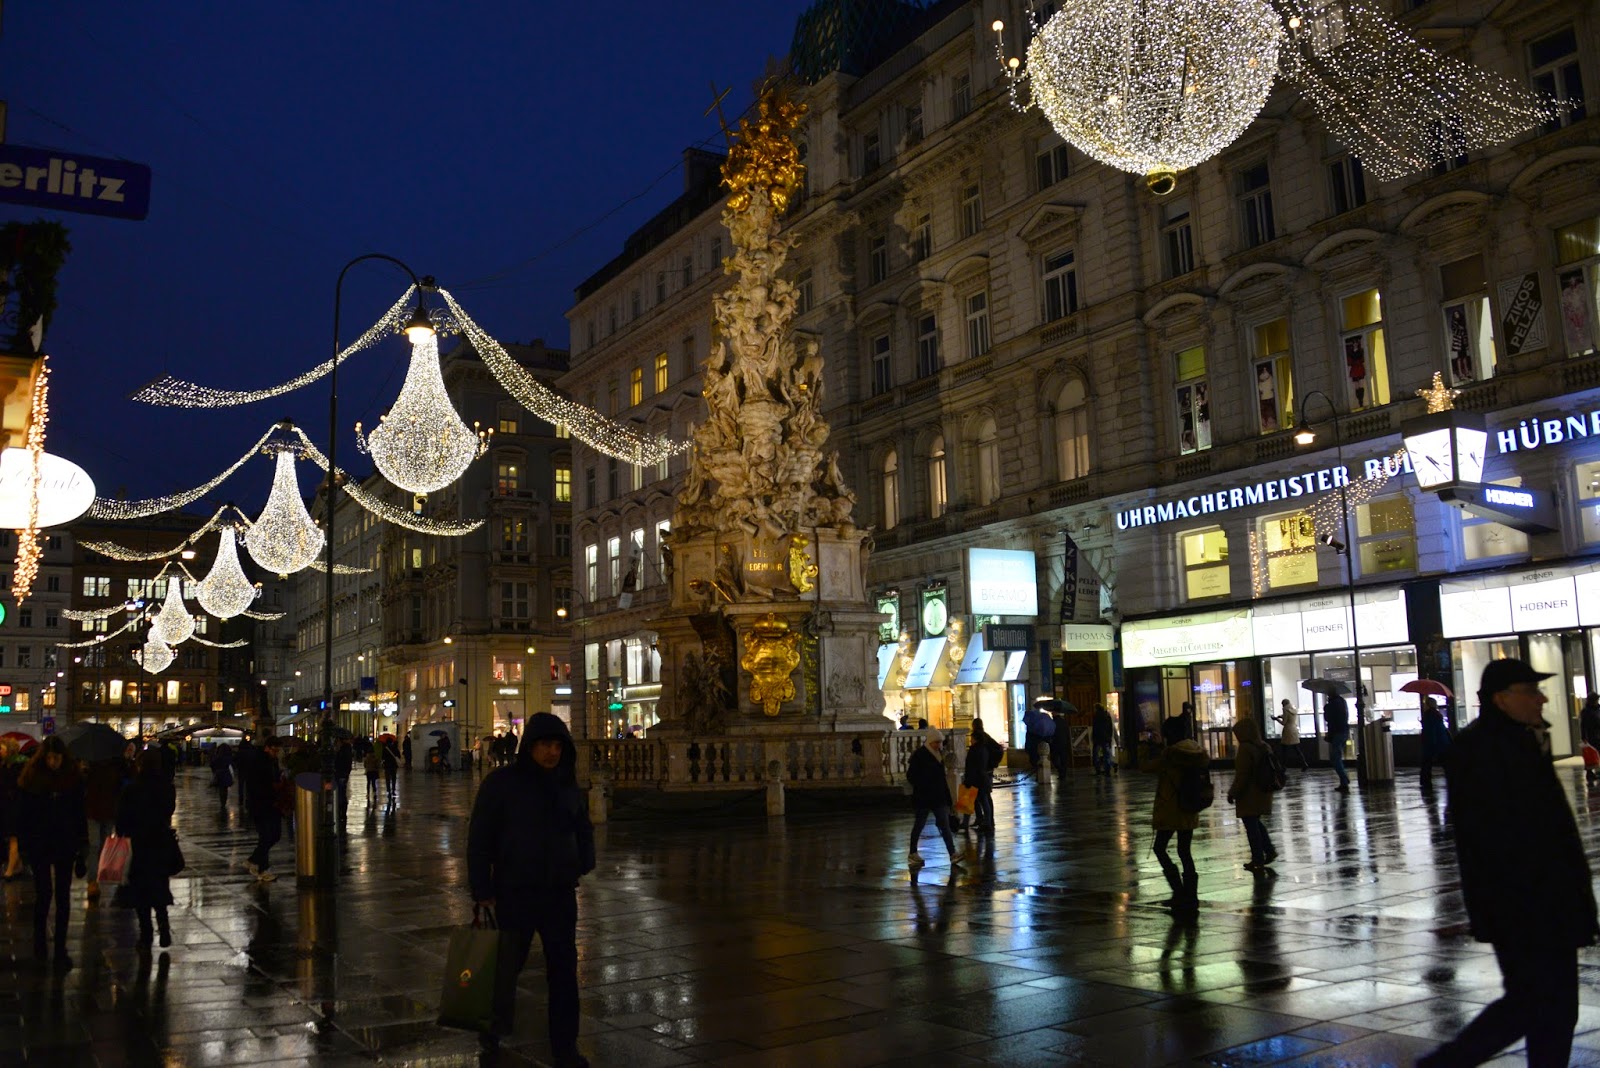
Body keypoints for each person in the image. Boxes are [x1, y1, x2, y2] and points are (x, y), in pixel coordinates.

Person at [1417, 659, 1599, 1068]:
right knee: (1532, 1003)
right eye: (1530, 691)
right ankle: (1442, 1064)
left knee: (1554, 1009)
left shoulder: (1522, 740)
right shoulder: (1482, 750)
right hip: (1525, 907)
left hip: (1546, 902)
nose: (1542, 698)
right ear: (1502, 699)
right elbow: (1492, 841)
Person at [467, 713, 595, 1066]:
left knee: (564, 972)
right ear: (530, 747)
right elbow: (480, 838)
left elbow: (582, 827)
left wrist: (583, 860)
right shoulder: (502, 783)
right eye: (544, 745)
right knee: (507, 968)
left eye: (557, 746)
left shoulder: (565, 783)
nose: (551, 753)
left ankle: (565, 1046)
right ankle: (491, 1030)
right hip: (515, 891)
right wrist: (481, 886)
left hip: (558, 892)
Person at [16, 736, 87, 966]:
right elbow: (23, 817)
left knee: (63, 897)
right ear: (44, 757)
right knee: (44, 894)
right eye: (50, 758)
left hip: (64, 843)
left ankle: (59, 948)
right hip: (41, 843)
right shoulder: (32, 780)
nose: (53, 762)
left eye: (57, 758)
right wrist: (24, 847)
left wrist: (82, 846)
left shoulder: (72, 780)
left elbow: (79, 814)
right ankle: (39, 945)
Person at [1145, 714, 1208, 914]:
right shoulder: (1196, 751)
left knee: (1160, 848)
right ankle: (1191, 895)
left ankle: (1179, 892)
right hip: (1190, 807)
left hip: (1171, 810)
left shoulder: (1170, 754)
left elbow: (1145, 767)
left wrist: (1153, 747)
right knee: (1184, 851)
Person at [116, 748, 177, 951]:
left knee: (141, 891)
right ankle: (164, 926)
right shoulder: (167, 787)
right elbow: (169, 810)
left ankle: (146, 934)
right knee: (159, 886)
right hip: (160, 841)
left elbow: (122, 820)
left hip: (139, 844)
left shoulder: (132, 789)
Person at [905, 728, 962, 871]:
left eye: (940, 742)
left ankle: (952, 853)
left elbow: (942, 779)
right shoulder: (920, 755)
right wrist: (924, 783)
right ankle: (912, 852)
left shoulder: (938, 756)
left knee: (944, 824)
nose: (939, 745)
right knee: (919, 825)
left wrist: (949, 800)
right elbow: (911, 776)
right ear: (930, 742)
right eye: (936, 742)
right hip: (924, 797)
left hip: (938, 797)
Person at [1227, 719, 1279, 871]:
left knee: (1251, 825)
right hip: (1264, 790)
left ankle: (1258, 858)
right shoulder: (1264, 746)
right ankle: (1269, 850)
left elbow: (1242, 775)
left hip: (1250, 793)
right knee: (1256, 821)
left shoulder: (1245, 748)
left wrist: (1233, 792)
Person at [83, 753, 128, 903]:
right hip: (94, 811)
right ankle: (92, 882)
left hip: (107, 811)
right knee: (95, 845)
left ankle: (98, 876)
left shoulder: (115, 766)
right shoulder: (89, 768)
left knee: (102, 845)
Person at [244, 736, 284, 883]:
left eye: (278, 751)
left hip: (271, 804)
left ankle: (254, 860)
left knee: (274, 835)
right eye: (274, 750)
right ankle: (263, 869)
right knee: (267, 836)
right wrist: (274, 786)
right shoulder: (260, 762)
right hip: (261, 804)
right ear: (267, 747)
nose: (276, 753)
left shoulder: (271, 761)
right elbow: (260, 784)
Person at [959, 720, 1005, 835]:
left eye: (971, 738)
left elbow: (974, 765)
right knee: (981, 799)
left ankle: (985, 821)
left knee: (979, 799)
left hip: (979, 777)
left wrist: (969, 778)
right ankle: (985, 820)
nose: (970, 740)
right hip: (984, 775)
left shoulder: (977, 748)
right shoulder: (985, 741)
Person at [1419, 697, 1452, 790]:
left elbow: (1430, 731)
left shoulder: (1428, 715)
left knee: (1426, 763)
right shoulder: (1437, 714)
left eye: (1425, 704)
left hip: (1433, 743)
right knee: (1445, 763)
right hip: (1442, 742)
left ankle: (1425, 782)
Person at [1324, 690, 1351, 792]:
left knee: (1335, 758)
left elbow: (1328, 718)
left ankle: (1344, 780)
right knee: (1337, 757)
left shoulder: (1332, 704)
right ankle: (1344, 780)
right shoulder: (1342, 701)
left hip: (1337, 733)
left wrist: (1326, 708)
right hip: (1344, 731)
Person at [1272, 699, 1308, 771]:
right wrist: (1281, 716)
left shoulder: (1285, 709)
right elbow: (1289, 716)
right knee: (1296, 748)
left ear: (1284, 704)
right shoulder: (1293, 708)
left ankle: (1283, 766)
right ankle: (1304, 763)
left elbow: (1284, 722)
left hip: (1288, 731)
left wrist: (1276, 719)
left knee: (1284, 749)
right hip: (1294, 729)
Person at [209, 743, 235, 816]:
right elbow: (232, 765)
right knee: (225, 788)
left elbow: (212, 764)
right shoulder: (229, 757)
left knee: (221, 788)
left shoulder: (217, 757)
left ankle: (222, 802)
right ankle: (224, 801)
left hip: (219, 774)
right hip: (226, 773)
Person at [334, 737, 354, 824]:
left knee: (340, 793)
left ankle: (341, 811)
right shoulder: (346, 750)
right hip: (343, 774)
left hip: (341, 774)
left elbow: (340, 762)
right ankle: (342, 812)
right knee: (341, 792)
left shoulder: (343, 751)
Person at [1091, 705, 1116, 776]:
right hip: (1106, 738)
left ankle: (1098, 770)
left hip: (1098, 739)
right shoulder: (1107, 716)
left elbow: (1095, 728)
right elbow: (1110, 728)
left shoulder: (1096, 716)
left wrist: (1093, 737)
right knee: (1106, 755)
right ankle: (1107, 770)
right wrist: (1110, 738)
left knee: (1096, 755)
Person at [381, 736, 400, 803]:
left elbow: (383, 757)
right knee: (394, 778)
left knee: (388, 778)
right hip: (394, 766)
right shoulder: (395, 748)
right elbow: (398, 756)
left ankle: (388, 790)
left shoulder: (385, 749)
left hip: (387, 766)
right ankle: (393, 790)